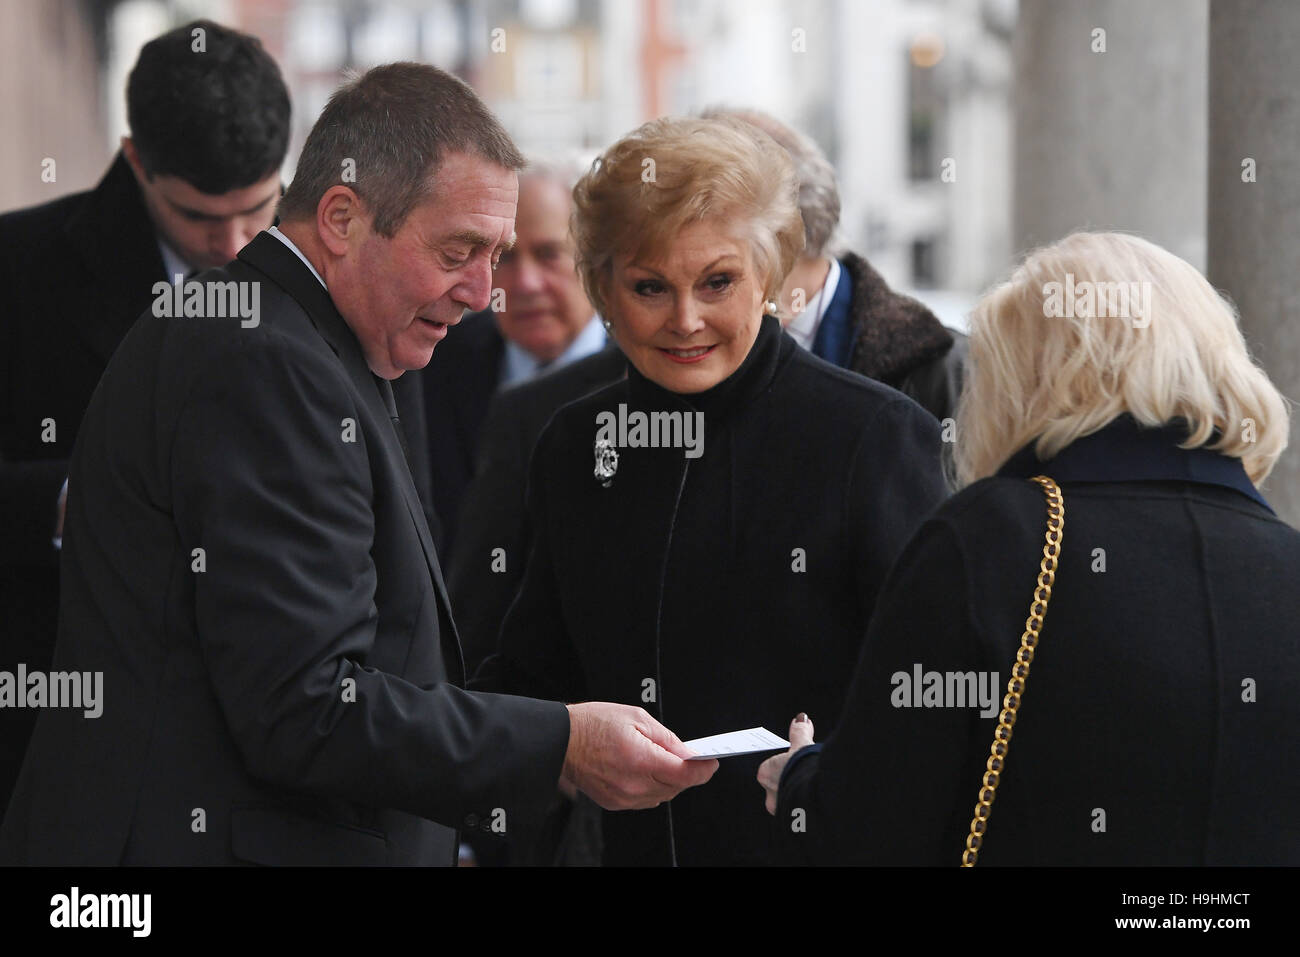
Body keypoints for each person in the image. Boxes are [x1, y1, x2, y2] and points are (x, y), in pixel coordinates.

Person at [0, 62, 716, 866]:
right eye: (460, 250)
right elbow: (307, 708)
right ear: (341, 217)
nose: (485, 292)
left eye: (498, 252)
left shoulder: (313, 341)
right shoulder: (267, 362)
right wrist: (563, 741)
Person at [475, 115, 948, 866]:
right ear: (601, 287)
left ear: (770, 273)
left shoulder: (875, 438)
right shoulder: (573, 445)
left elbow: (937, 701)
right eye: (650, 286)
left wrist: (820, 776)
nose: (686, 319)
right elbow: (532, 675)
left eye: (717, 281)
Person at [759, 231, 1300, 865]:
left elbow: (873, 823)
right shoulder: (1285, 561)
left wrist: (799, 783)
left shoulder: (991, 539)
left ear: (1028, 377)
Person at [0, 19, 294, 819]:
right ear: (134, 160)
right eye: (201, 217)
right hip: (63, 766)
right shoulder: (19, 273)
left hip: (271, 778)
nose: (235, 245)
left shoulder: (339, 286)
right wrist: (73, 502)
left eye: (258, 209)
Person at [704, 107, 967, 424]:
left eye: (717, 276)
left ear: (785, 230)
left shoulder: (945, 366)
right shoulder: (644, 364)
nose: (685, 317)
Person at [420, 160, 610, 557]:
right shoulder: (431, 365)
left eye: (548, 254)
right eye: (504, 257)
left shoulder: (648, 369)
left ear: (594, 260)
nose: (525, 282)